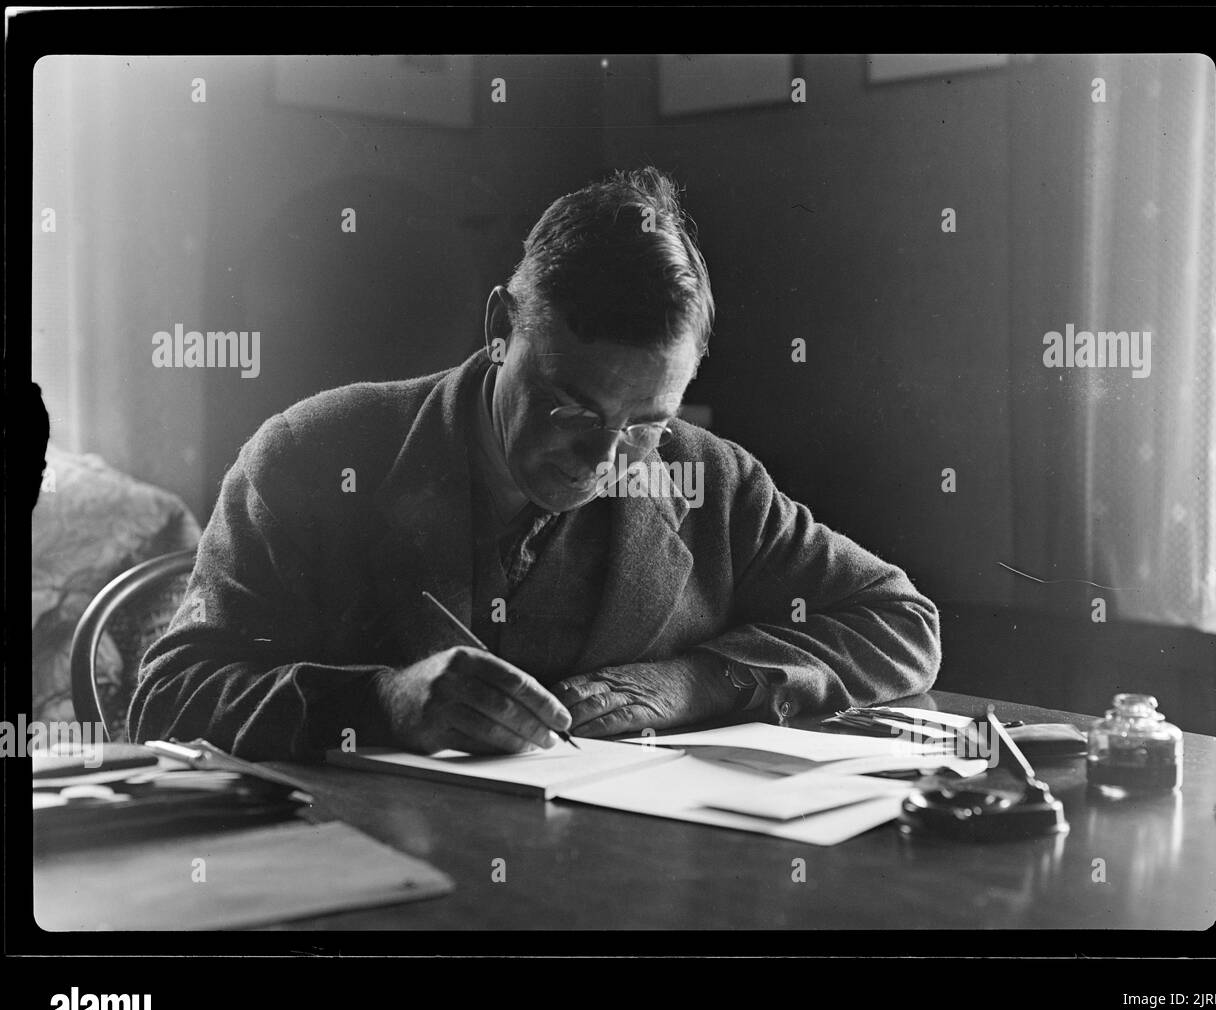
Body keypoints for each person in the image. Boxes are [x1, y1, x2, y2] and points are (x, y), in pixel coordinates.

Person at [129, 168, 941, 761]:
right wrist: (381, 701)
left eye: (645, 424)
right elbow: (165, 698)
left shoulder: (712, 482)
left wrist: (694, 683)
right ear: (500, 327)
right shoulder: (314, 454)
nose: (602, 458)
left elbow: (902, 622)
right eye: (572, 407)